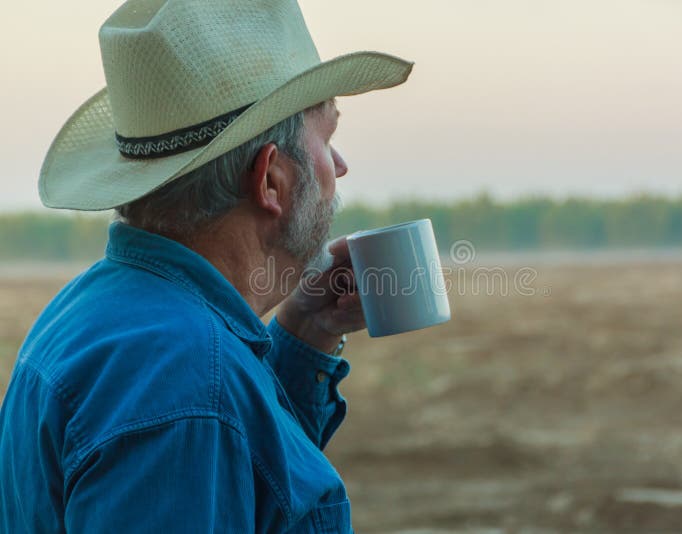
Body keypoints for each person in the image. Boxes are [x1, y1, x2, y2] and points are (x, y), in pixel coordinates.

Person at [0, 0, 413, 532]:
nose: (339, 165)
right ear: (271, 180)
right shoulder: (190, 385)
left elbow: (243, 485)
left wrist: (305, 332)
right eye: (326, 138)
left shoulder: (90, 311)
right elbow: (201, 422)